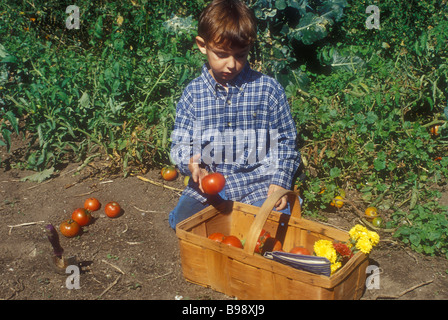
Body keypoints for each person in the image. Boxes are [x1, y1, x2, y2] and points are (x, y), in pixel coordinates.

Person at [168, 0, 300, 229]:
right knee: (181, 224)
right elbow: (180, 142)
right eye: (221, 54)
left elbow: (287, 141)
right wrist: (190, 161)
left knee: (271, 231)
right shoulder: (193, 94)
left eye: (240, 55)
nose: (231, 65)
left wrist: (280, 181)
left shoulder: (268, 90)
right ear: (202, 45)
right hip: (209, 186)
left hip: (258, 182)